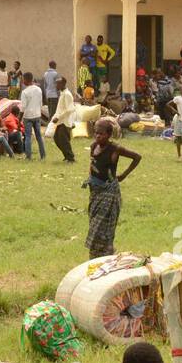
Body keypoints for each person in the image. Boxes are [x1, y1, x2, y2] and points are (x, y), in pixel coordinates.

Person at [86, 117, 140, 258]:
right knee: (94, 224)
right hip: (95, 193)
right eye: (96, 133)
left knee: (102, 228)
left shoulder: (115, 149)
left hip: (109, 193)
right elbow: (92, 166)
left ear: (109, 135)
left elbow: (137, 157)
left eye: (101, 134)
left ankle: (106, 254)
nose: (98, 136)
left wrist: (124, 175)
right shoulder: (93, 146)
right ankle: (96, 254)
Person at [47, 76, 76, 162]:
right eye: (56, 83)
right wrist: (55, 117)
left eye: (58, 83)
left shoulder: (67, 94)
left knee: (64, 140)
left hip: (65, 121)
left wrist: (58, 117)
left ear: (63, 84)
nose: (56, 85)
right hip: (60, 121)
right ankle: (67, 156)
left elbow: (70, 109)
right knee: (57, 139)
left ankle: (71, 158)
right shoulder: (62, 93)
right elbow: (60, 108)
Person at [19, 72, 44, 162]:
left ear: (25, 80)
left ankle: (28, 156)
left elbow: (23, 108)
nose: (22, 81)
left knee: (28, 136)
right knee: (39, 137)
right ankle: (43, 155)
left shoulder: (25, 92)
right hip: (37, 115)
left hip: (28, 117)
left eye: (23, 79)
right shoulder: (39, 89)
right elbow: (41, 103)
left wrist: (19, 120)